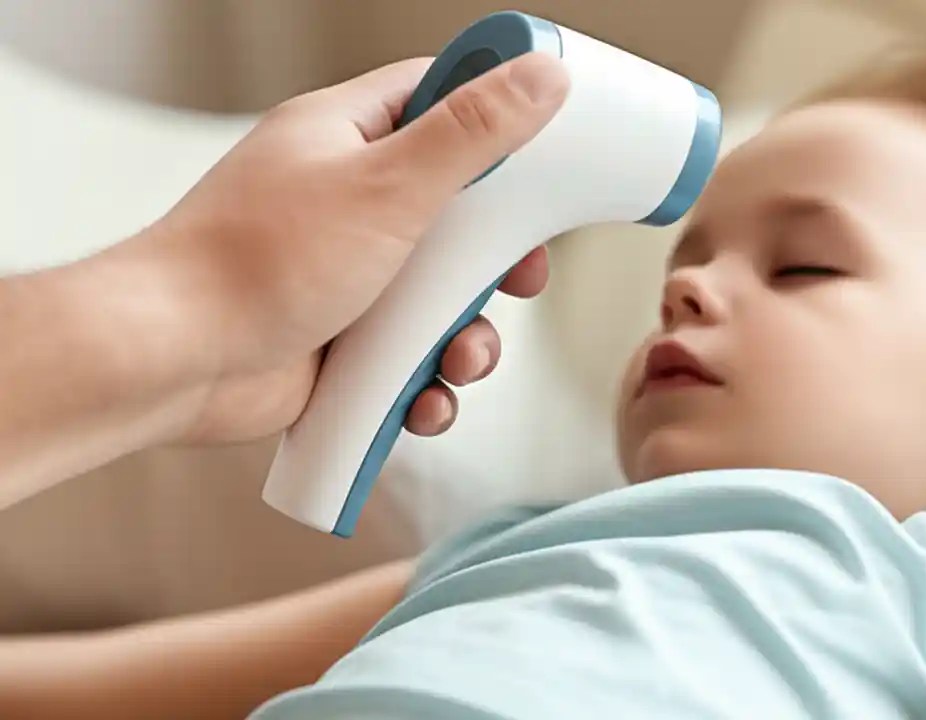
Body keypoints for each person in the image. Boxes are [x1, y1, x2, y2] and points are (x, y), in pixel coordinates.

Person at [249, 45, 926, 720]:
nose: (690, 288)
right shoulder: (504, 546)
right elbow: (102, 689)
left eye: (802, 267)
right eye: (680, 266)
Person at [0, 52, 570, 719]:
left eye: (730, 248)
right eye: (695, 250)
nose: (688, 287)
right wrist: (212, 311)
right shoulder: (525, 555)